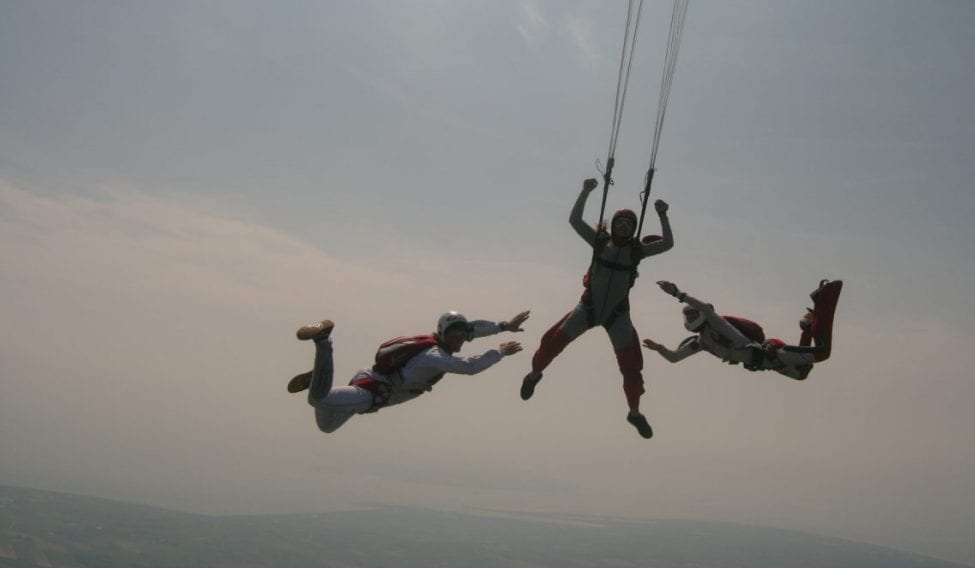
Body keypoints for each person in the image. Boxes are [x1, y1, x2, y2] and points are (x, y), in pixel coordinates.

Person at [520, 177, 673, 439]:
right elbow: (575, 221)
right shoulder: (600, 242)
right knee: (553, 342)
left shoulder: (638, 251)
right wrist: (586, 191)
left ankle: (634, 413)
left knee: (631, 367)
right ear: (613, 225)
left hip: (617, 315)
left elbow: (668, 244)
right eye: (620, 222)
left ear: (633, 229)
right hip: (588, 307)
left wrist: (663, 215)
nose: (623, 226)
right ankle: (534, 375)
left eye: (629, 224)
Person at [291, 309, 529, 433]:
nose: (462, 340)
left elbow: (473, 329)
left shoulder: (443, 342)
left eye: (463, 335)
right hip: (369, 392)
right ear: (446, 335)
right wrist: (499, 352)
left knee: (326, 426)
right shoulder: (434, 356)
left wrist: (504, 326)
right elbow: (468, 367)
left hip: (374, 390)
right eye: (457, 335)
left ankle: (317, 379)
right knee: (318, 399)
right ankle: (323, 341)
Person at [643, 280, 832, 380]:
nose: (692, 319)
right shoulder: (700, 342)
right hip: (769, 363)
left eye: (694, 315)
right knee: (802, 373)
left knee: (823, 353)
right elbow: (674, 358)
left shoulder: (716, 323)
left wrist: (677, 293)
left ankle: (821, 297)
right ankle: (807, 326)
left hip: (772, 353)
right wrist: (659, 348)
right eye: (689, 317)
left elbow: (706, 309)